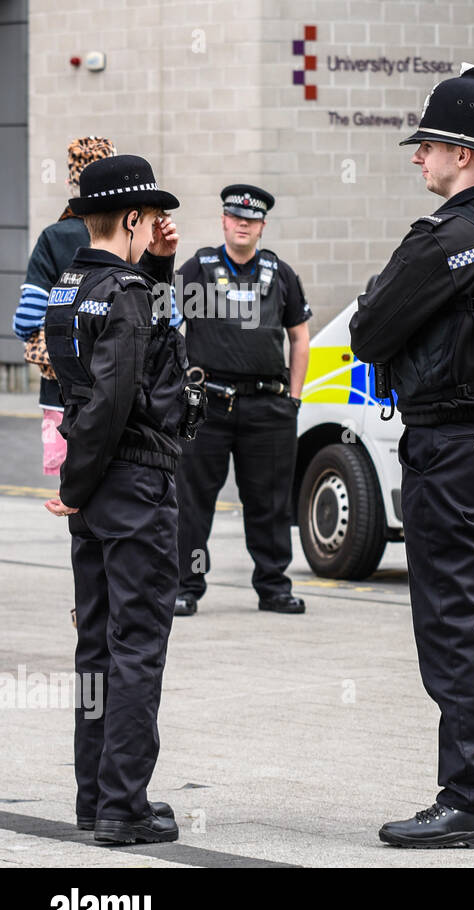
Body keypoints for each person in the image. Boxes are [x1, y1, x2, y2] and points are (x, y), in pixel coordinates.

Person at [351, 65, 474, 849]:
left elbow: (371, 330)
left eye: (427, 146)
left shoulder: (446, 241)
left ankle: (471, 800)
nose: (417, 159)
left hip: (449, 449)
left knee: (452, 617)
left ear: (464, 154)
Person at [41, 154, 189, 844]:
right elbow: (116, 394)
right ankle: (124, 807)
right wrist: (76, 484)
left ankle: (94, 795)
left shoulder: (69, 288)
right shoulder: (128, 293)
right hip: (134, 484)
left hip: (97, 491)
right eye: (150, 218)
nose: (157, 227)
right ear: (130, 219)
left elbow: (94, 382)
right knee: (136, 646)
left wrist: (75, 485)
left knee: (97, 645)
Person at [173, 185, 312, 616]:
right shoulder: (197, 268)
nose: (243, 225)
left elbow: (299, 338)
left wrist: (293, 398)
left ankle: (274, 588)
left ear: (262, 227)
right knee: (192, 500)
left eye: (251, 220)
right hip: (206, 404)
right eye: (235, 218)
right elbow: (165, 326)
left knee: (270, 502)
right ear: (224, 221)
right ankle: (185, 587)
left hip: (268, 407)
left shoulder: (281, 273)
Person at [11, 136, 115, 477]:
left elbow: (26, 320)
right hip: (122, 395)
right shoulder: (134, 235)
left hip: (61, 395)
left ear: (72, 185)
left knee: (72, 496)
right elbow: (169, 318)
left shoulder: (53, 238)